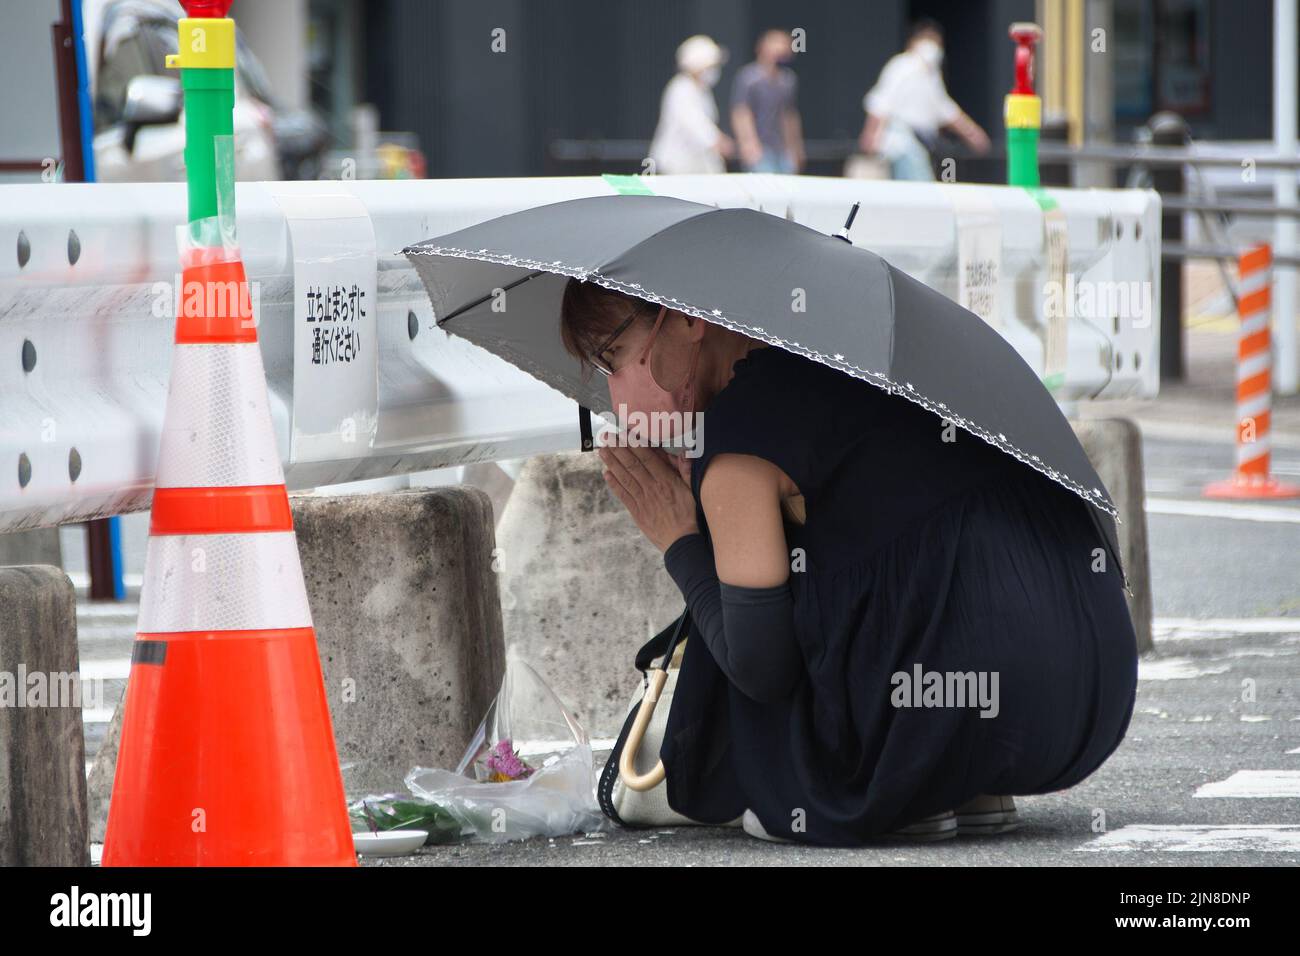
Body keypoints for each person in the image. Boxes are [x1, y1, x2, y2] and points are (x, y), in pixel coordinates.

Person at [559, 280, 1139, 846]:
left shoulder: (742, 425)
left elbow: (760, 665)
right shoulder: (888, 366)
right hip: (1089, 700)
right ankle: (962, 783)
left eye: (618, 358)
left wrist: (681, 537)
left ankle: (886, 786)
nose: (617, 399)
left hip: (930, 723)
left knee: (750, 629)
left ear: (687, 319)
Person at [859, 18, 990, 181]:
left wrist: (973, 134)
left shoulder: (932, 75)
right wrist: (871, 135)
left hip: (921, 144)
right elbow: (880, 104)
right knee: (918, 193)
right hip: (901, 143)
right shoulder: (902, 65)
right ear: (913, 43)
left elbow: (946, 110)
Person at [647, 35, 734, 175]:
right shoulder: (681, 88)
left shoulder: (702, 90)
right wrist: (717, 141)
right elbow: (694, 123)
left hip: (696, 165)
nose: (713, 70)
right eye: (710, 66)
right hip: (676, 166)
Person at [729, 29, 805, 174]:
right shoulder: (749, 78)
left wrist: (795, 146)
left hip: (782, 149)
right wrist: (748, 143)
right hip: (760, 148)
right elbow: (741, 112)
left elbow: (788, 115)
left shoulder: (787, 80)